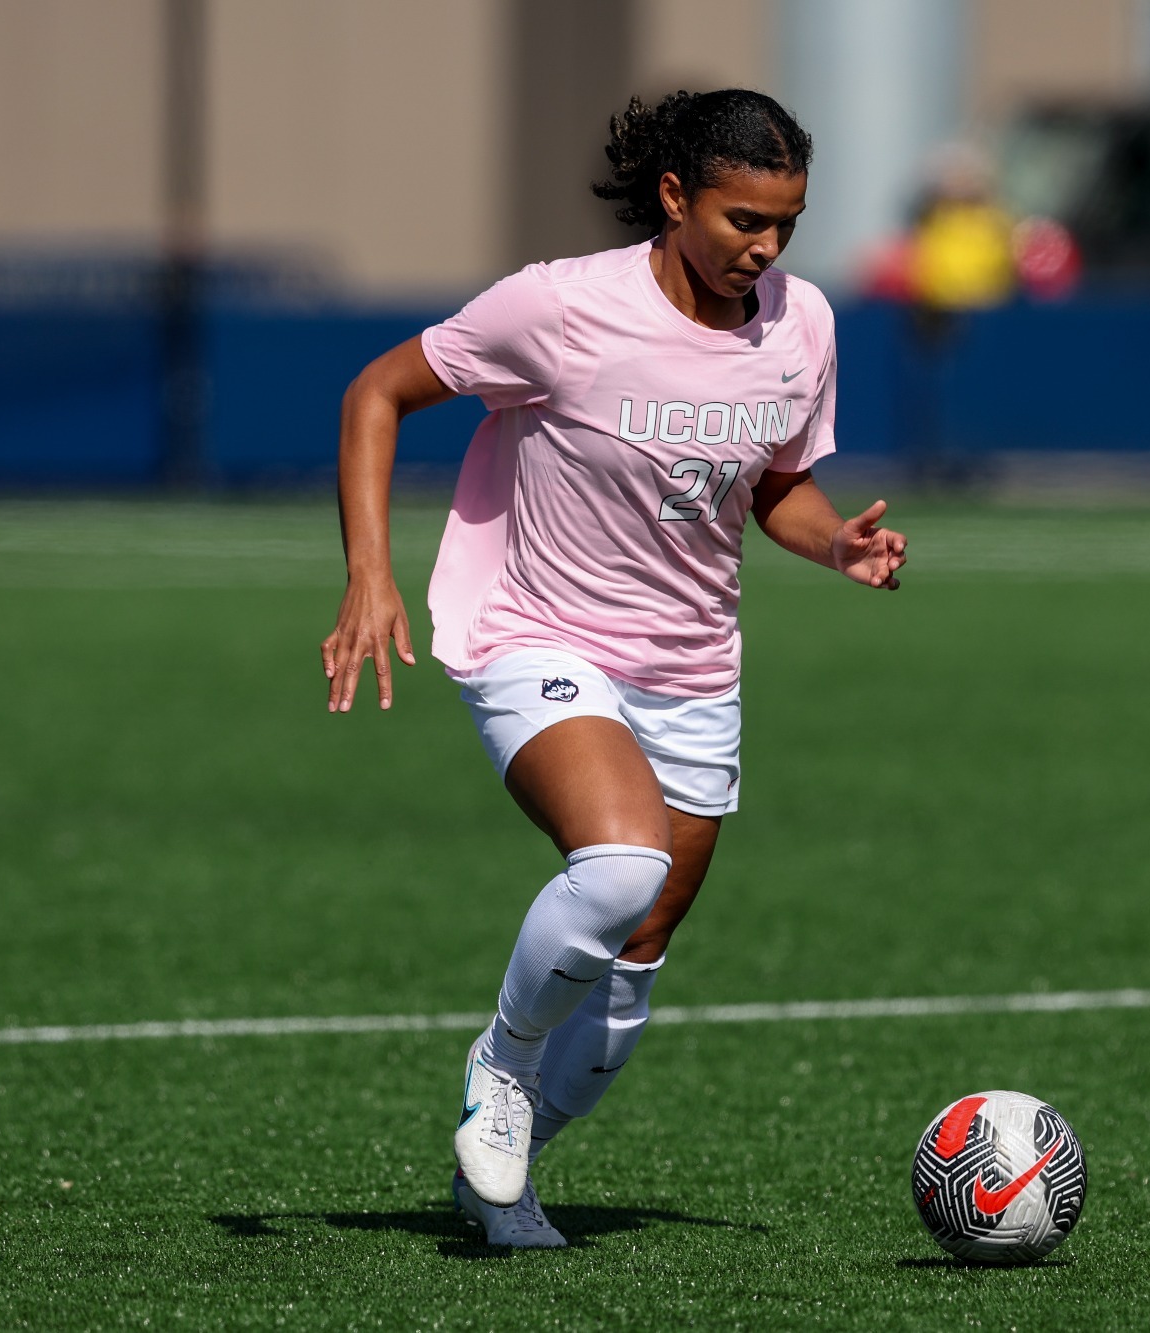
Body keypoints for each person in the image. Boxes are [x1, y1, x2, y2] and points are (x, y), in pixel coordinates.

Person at [319, 88, 907, 1248]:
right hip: (537, 634)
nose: (765, 247)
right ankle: (501, 1062)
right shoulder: (557, 306)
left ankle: (506, 1168)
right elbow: (375, 393)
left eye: (786, 222)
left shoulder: (803, 324)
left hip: (692, 670)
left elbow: (773, 483)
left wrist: (832, 541)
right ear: (677, 197)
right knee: (620, 861)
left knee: (636, 959)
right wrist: (369, 573)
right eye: (744, 219)